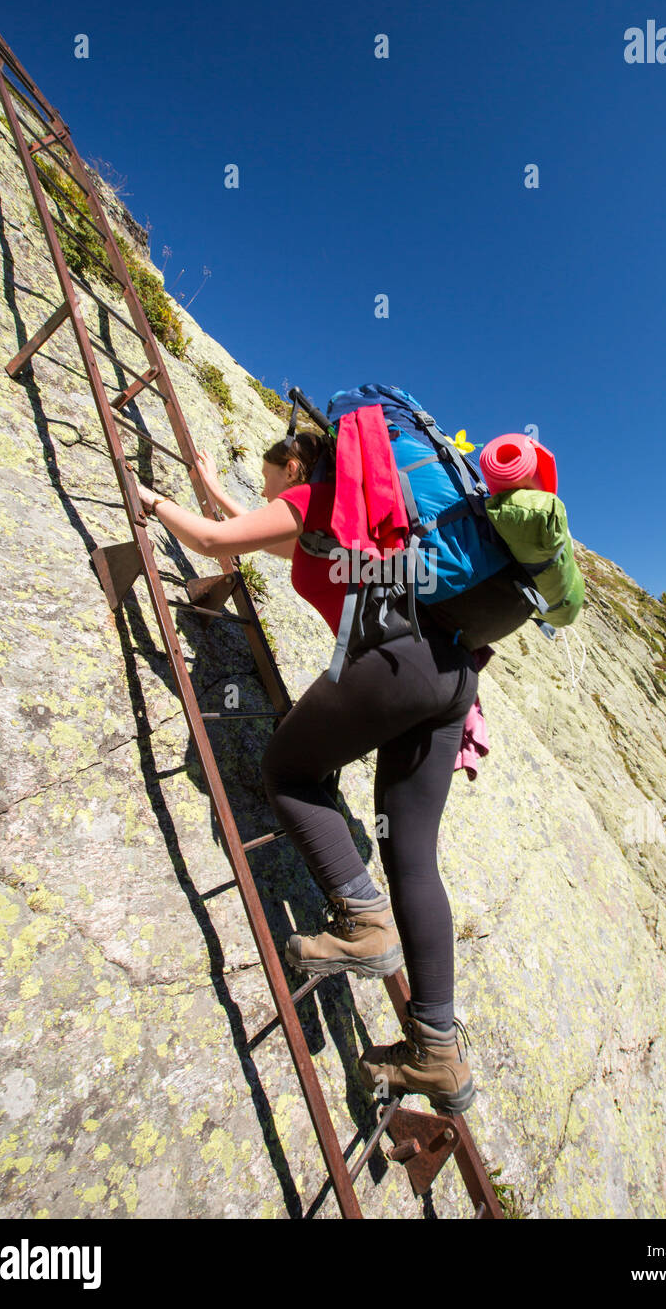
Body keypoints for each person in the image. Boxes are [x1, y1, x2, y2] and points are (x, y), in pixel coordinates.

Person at [137, 430, 479, 1114]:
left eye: (270, 480)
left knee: (288, 771)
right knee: (413, 857)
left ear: (294, 466)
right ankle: (438, 1051)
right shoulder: (343, 517)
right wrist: (208, 484)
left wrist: (150, 499)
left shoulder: (314, 498)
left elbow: (212, 543)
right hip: (450, 675)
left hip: (392, 665)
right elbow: (242, 530)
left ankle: (363, 920)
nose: (268, 494)